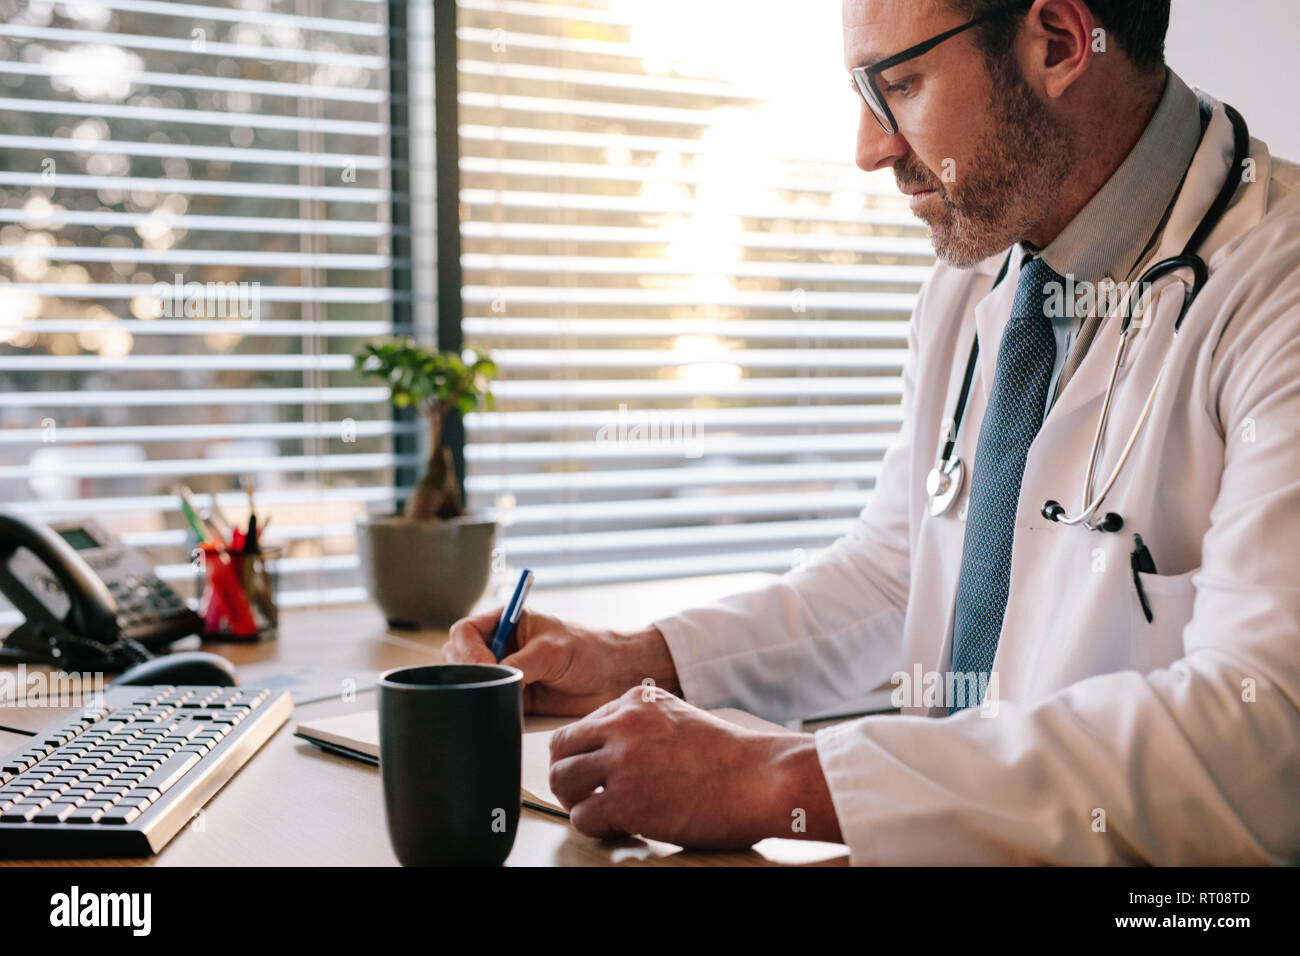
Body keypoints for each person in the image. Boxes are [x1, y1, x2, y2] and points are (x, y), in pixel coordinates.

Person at [446, 0, 1300, 864]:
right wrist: (636, 659)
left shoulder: (1278, 291)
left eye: (899, 84)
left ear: (1059, 42)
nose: (870, 148)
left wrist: (784, 783)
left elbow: (1261, 740)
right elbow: (899, 576)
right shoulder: (982, 281)